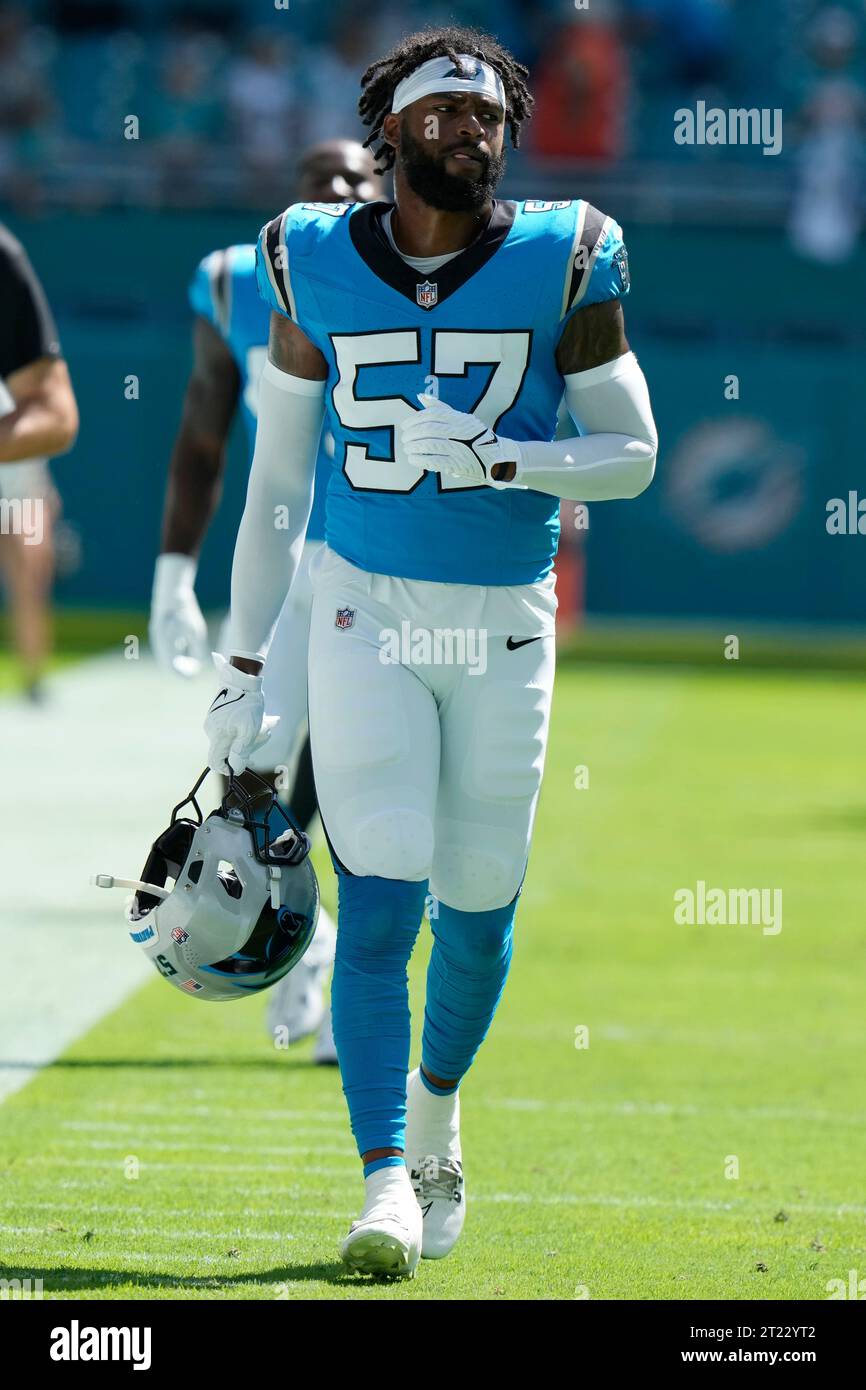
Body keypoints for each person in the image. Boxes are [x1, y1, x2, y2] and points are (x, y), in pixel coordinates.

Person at [203, 25, 657, 1279]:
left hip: (504, 617)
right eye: (444, 106)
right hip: (363, 608)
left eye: (490, 110)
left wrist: (506, 456)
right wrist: (248, 665)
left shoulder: (563, 253)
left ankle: (442, 1107)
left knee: (477, 900)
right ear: (389, 129)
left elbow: (632, 451)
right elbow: (278, 483)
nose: (473, 125)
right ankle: (384, 1180)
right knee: (382, 882)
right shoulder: (306, 256)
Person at [150, 140, 383, 1063]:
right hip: (283, 562)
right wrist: (174, 571)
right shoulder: (234, 281)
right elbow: (204, 433)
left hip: (381, 563)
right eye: (317, 179)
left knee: (354, 776)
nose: (334, 191)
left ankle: (320, 957)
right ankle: (293, 945)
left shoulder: (412, 278)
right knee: (249, 776)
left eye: (356, 181)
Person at [0, 222, 78, 701]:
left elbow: (55, 417)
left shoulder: (4, 261)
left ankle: (34, 678)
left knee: (32, 571)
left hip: (19, 475)